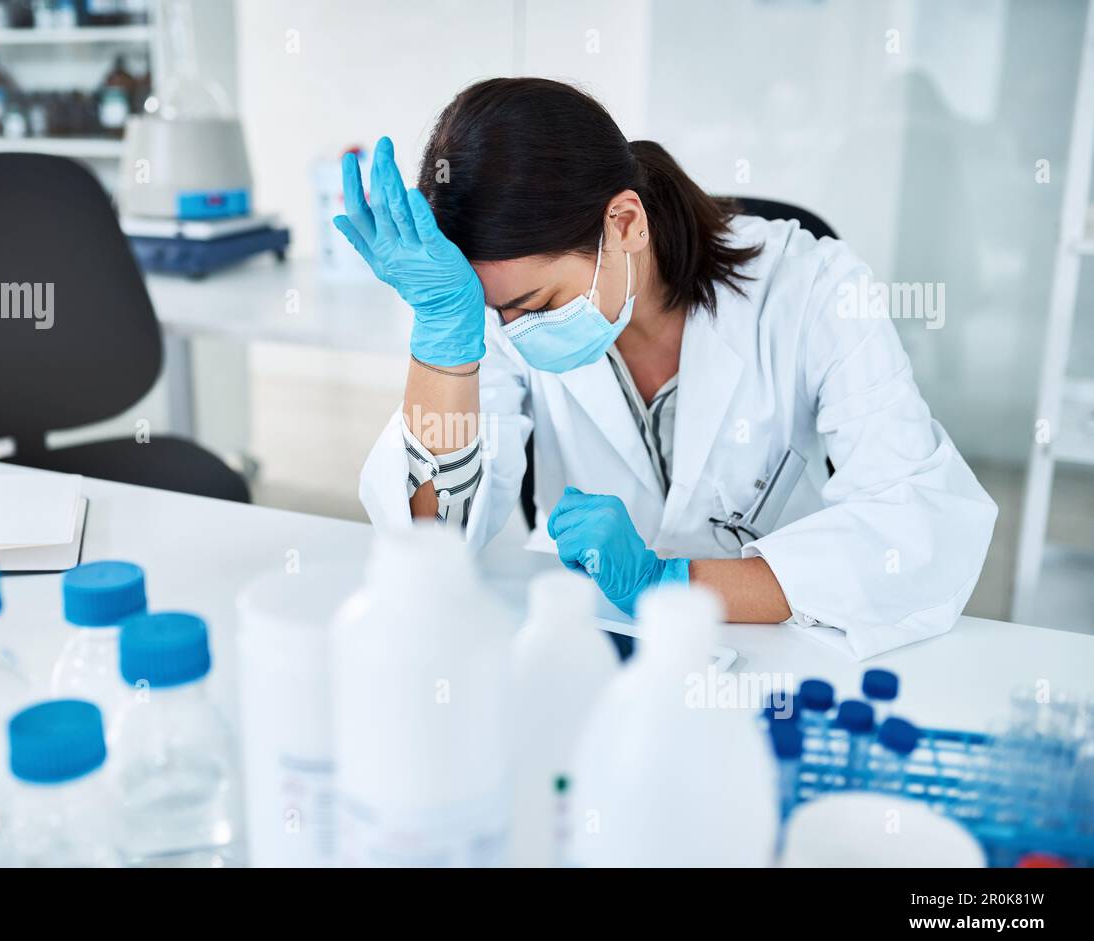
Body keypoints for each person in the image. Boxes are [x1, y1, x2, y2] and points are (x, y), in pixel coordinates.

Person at [335, 78, 996, 659]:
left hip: (777, 645)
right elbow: (428, 543)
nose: (511, 332)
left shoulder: (812, 289)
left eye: (533, 305)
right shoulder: (490, 311)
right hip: (585, 636)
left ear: (624, 222)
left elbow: (917, 529)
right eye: (490, 311)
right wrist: (443, 343)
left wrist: (668, 583)